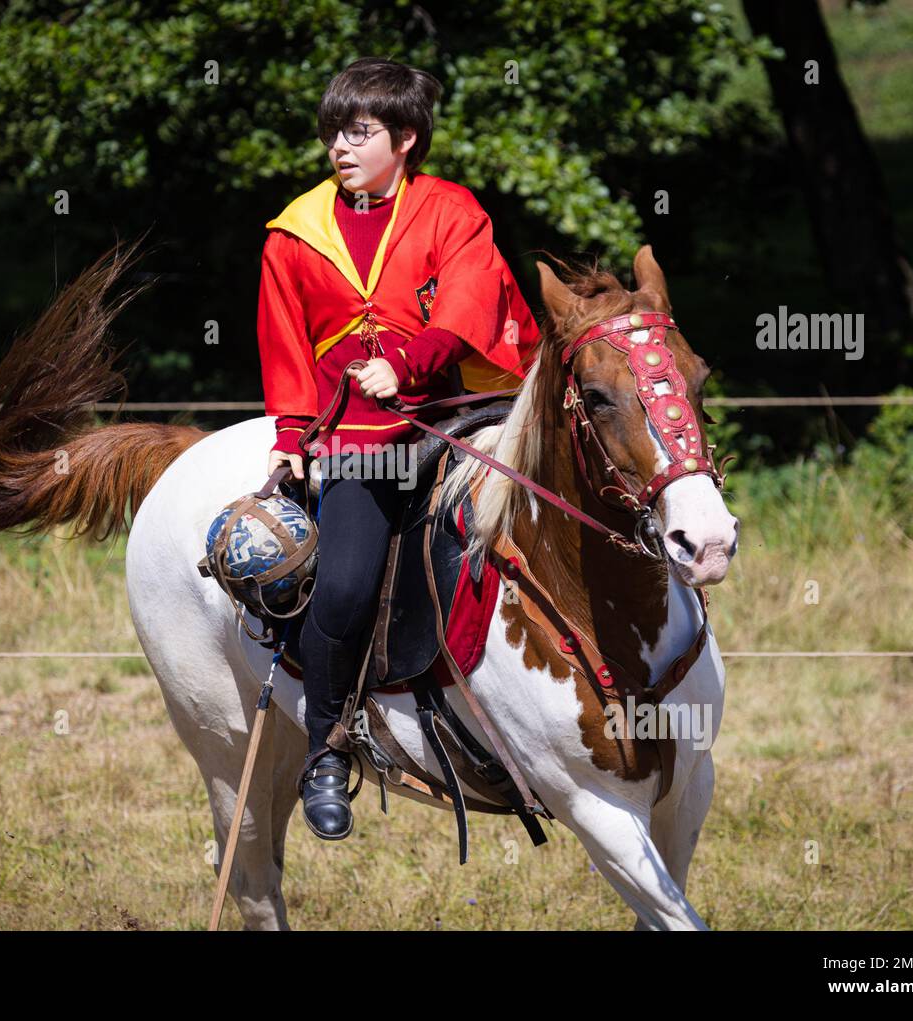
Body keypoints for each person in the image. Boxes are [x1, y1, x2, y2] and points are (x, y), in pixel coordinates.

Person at [256, 57, 541, 840]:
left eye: (359, 133)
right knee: (343, 586)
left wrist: (409, 362)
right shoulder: (293, 233)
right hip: (354, 437)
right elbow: (282, 347)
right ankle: (326, 750)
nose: (339, 148)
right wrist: (293, 440)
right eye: (333, 134)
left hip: (459, 410)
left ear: (405, 138)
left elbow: (470, 299)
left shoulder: (452, 210)